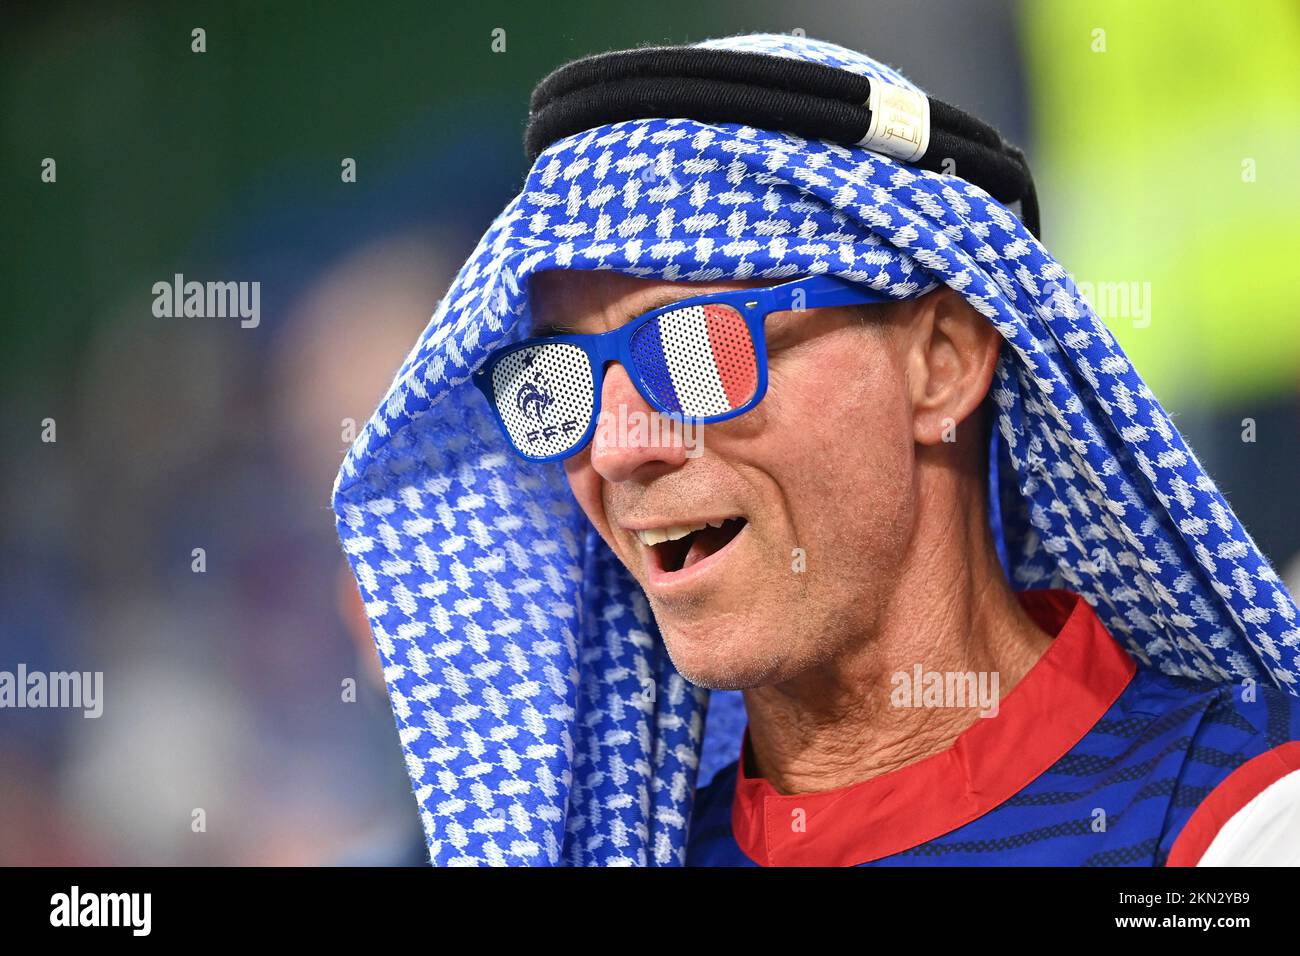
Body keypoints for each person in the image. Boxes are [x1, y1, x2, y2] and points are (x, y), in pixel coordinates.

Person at [333, 33, 1300, 866]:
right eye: (562, 386)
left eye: (698, 347)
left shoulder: (1240, 823)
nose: (619, 449)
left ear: (943, 363)